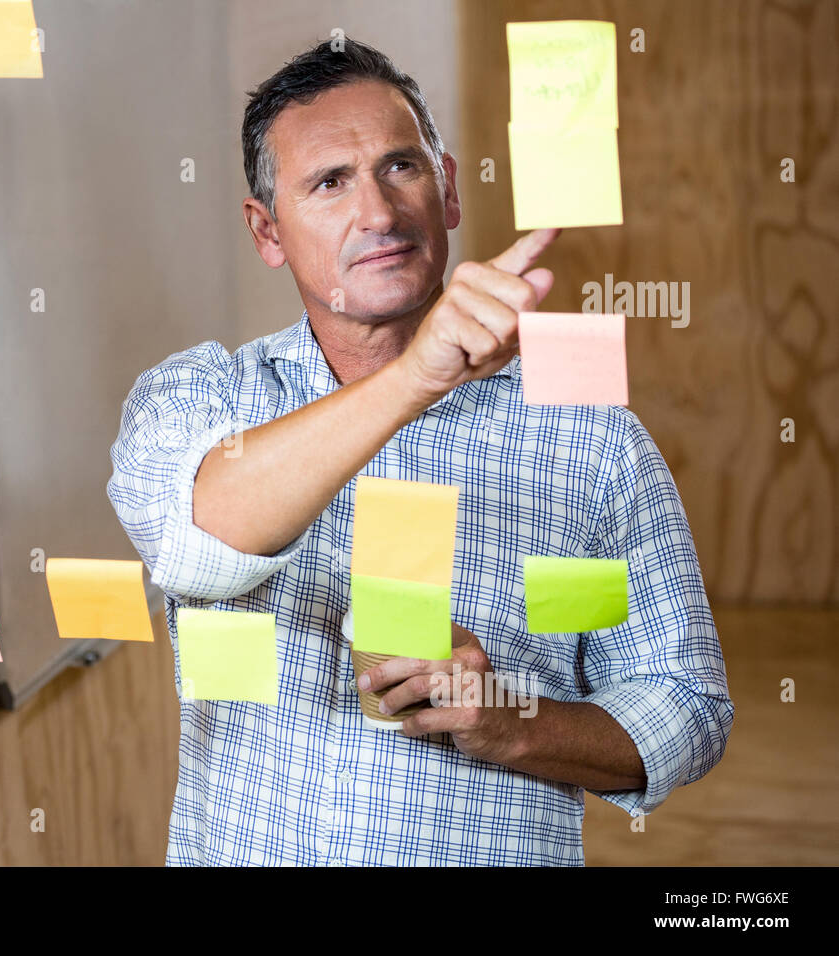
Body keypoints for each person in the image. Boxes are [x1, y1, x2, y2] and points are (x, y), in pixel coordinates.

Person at [106, 38, 732, 865]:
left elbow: (687, 710)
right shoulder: (201, 398)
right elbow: (194, 546)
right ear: (267, 231)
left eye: (400, 168)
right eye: (329, 183)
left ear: (448, 192)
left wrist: (512, 721)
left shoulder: (589, 438)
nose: (378, 212)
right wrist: (417, 379)